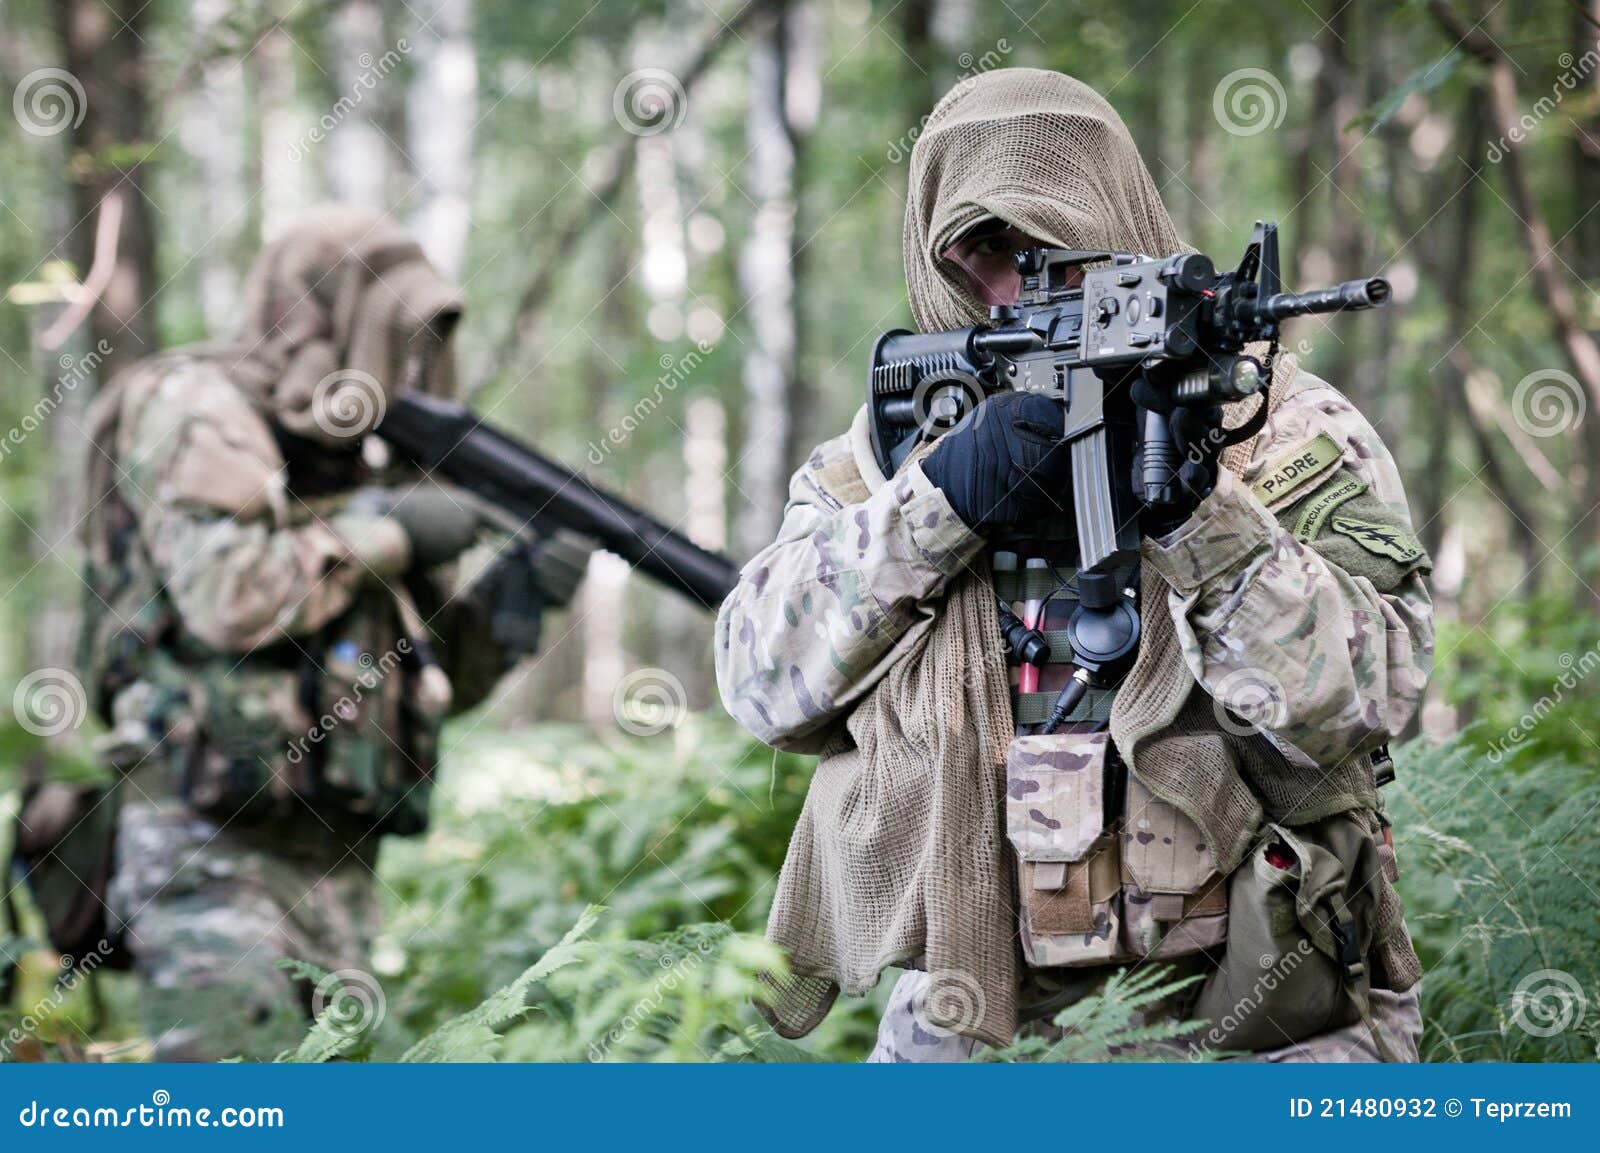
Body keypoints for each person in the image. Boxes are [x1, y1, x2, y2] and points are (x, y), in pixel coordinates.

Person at [715, 69, 1433, 1062]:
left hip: (1259, 1009)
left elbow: (1376, 691)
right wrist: (943, 497)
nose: (1015, 286)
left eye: (1048, 251)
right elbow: (759, 685)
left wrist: (1196, 514)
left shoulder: (1280, 434)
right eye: (982, 255)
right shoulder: (887, 457)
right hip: (974, 1015)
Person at [67, 208, 586, 1060]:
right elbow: (226, 594)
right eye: (393, 327)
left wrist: (515, 602)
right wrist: (392, 535)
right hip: (209, 839)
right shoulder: (197, 404)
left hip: (339, 857)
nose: (411, 360)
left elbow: (412, 679)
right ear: (324, 310)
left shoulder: (355, 463)